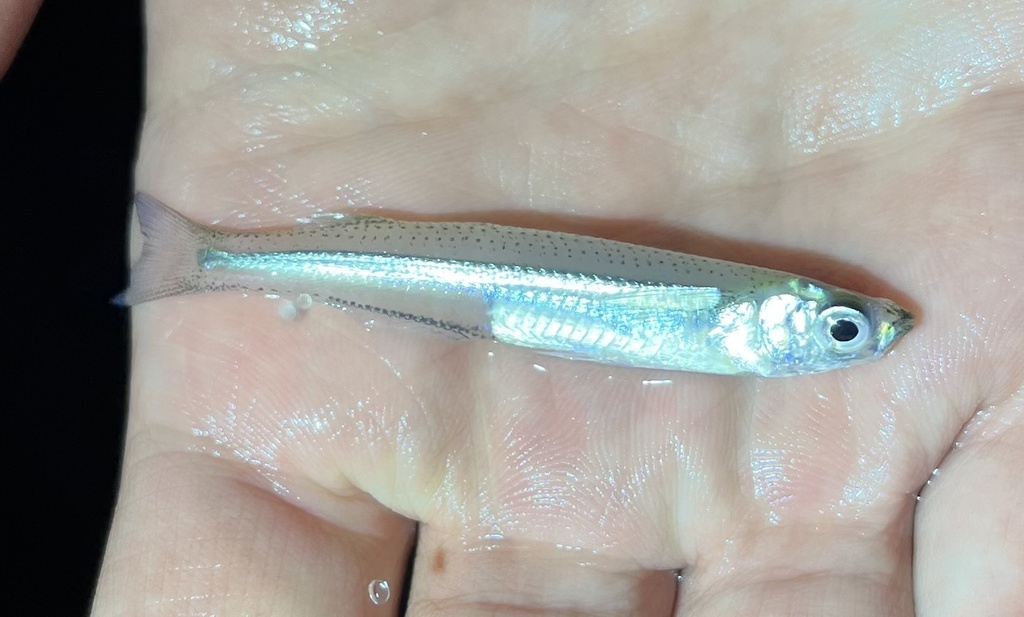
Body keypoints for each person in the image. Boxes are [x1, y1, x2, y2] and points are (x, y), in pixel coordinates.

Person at [8, 1, 1022, 614]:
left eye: (848, 328)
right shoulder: (739, 321)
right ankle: (210, 257)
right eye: (841, 326)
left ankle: (211, 258)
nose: (857, 337)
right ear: (777, 319)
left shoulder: (744, 321)